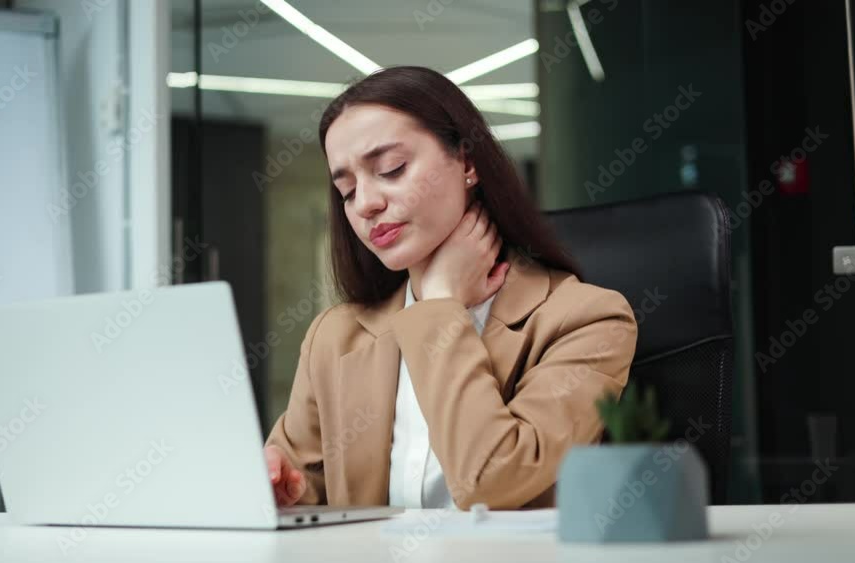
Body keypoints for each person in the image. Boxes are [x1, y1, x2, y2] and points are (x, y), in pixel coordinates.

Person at [263, 66, 638, 510]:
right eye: (346, 190)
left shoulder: (587, 320)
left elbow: (493, 481)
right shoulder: (334, 337)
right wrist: (288, 491)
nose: (365, 204)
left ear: (468, 161)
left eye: (391, 169)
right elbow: (307, 483)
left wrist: (440, 306)